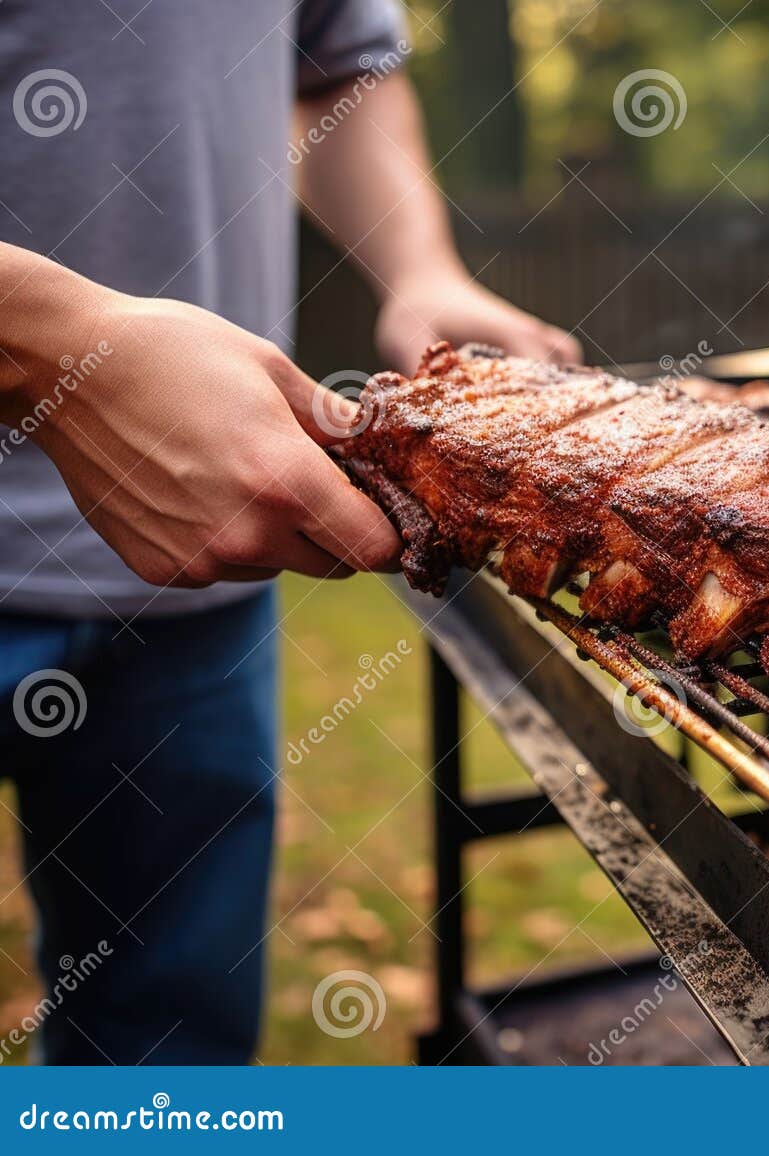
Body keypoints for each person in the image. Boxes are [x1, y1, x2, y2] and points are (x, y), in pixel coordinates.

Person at [0, 1, 578, 1063]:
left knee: (163, 1062)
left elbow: (338, 70)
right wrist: (46, 344)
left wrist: (421, 269)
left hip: (199, 601)